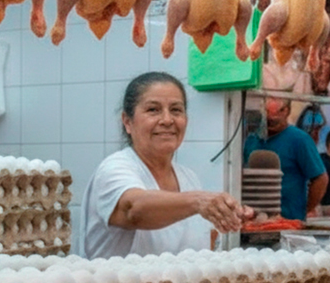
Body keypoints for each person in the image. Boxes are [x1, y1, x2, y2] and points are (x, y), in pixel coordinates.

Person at [80, 72, 254, 259]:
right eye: (153, 110)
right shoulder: (115, 168)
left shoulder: (189, 179)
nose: (167, 120)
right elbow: (133, 210)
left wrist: (227, 215)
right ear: (127, 122)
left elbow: (201, 246)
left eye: (176, 110)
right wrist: (199, 202)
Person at [243, 98, 328, 220]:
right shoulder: (252, 140)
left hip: (289, 220)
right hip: (254, 219)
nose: (271, 119)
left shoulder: (299, 139)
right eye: (267, 113)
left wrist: (304, 210)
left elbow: (320, 179)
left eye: (276, 113)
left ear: (286, 111)